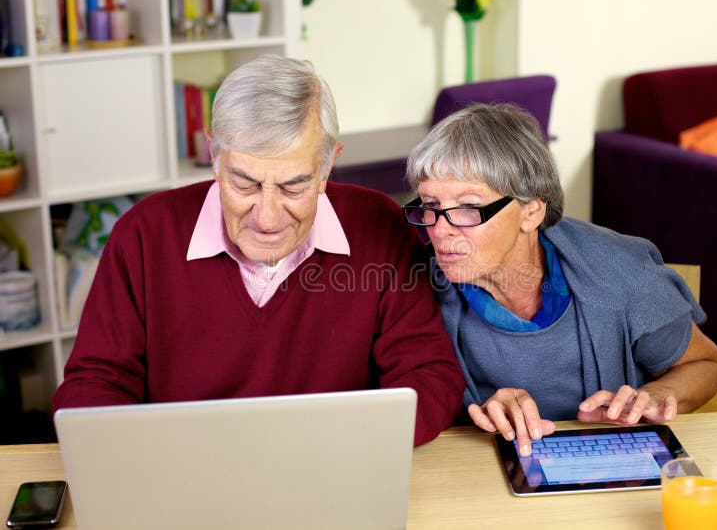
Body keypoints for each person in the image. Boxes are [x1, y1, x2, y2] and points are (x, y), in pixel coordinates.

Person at [52, 54, 465, 446]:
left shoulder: (381, 225)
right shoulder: (143, 235)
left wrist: (342, 445)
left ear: (327, 166)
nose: (267, 218)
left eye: (294, 185)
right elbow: (94, 384)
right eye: (245, 184)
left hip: (334, 466)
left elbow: (428, 375)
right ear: (214, 155)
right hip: (182, 476)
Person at [402, 103, 717, 456]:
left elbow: (703, 364)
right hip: (485, 475)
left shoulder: (621, 272)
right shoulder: (414, 289)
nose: (440, 230)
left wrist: (660, 395)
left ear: (531, 212)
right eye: (431, 206)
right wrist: (471, 412)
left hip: (613, 467)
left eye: (468, 208)